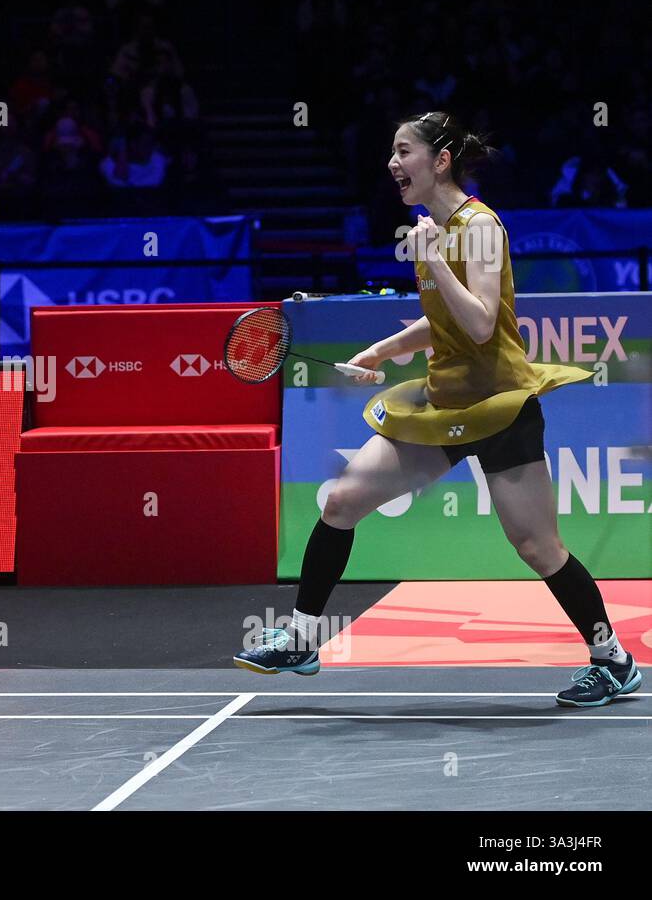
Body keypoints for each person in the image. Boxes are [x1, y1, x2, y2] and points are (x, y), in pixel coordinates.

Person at [234, 111, 641, 708]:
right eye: (391, 152)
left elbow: (480, 324)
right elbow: (441, 320)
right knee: (342, 502)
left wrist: (432, 257)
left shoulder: (480, 227)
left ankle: (612, 660)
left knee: (538, 548)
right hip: (442, 403)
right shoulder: (432, 231)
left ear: (441, 159)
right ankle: (300, 639)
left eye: (404, 151)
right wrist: (381, 350)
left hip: (499, 406)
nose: (392, 163)